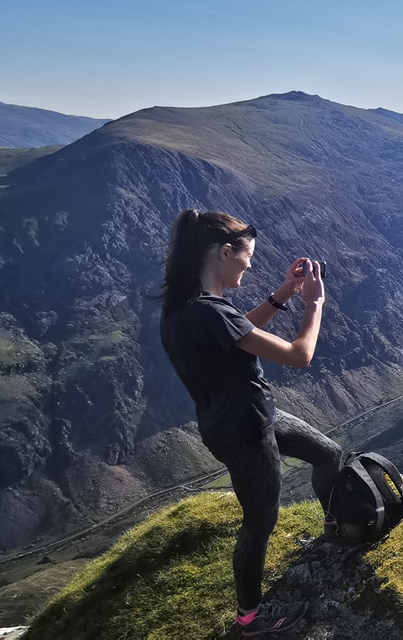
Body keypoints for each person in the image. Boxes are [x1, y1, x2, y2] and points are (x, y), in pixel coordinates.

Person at [157, 208, 341, 636]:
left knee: (329, 454)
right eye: (247, 256)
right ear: (225, 252)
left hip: (247, 417)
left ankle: (334, 525)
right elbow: (300, 355)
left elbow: (236, 333)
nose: (249, 263)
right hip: (243, 432)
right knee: (260, 522)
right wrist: (314, 303)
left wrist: (285, 293)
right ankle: (250, 620)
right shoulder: (209, 312)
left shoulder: (188, 309)